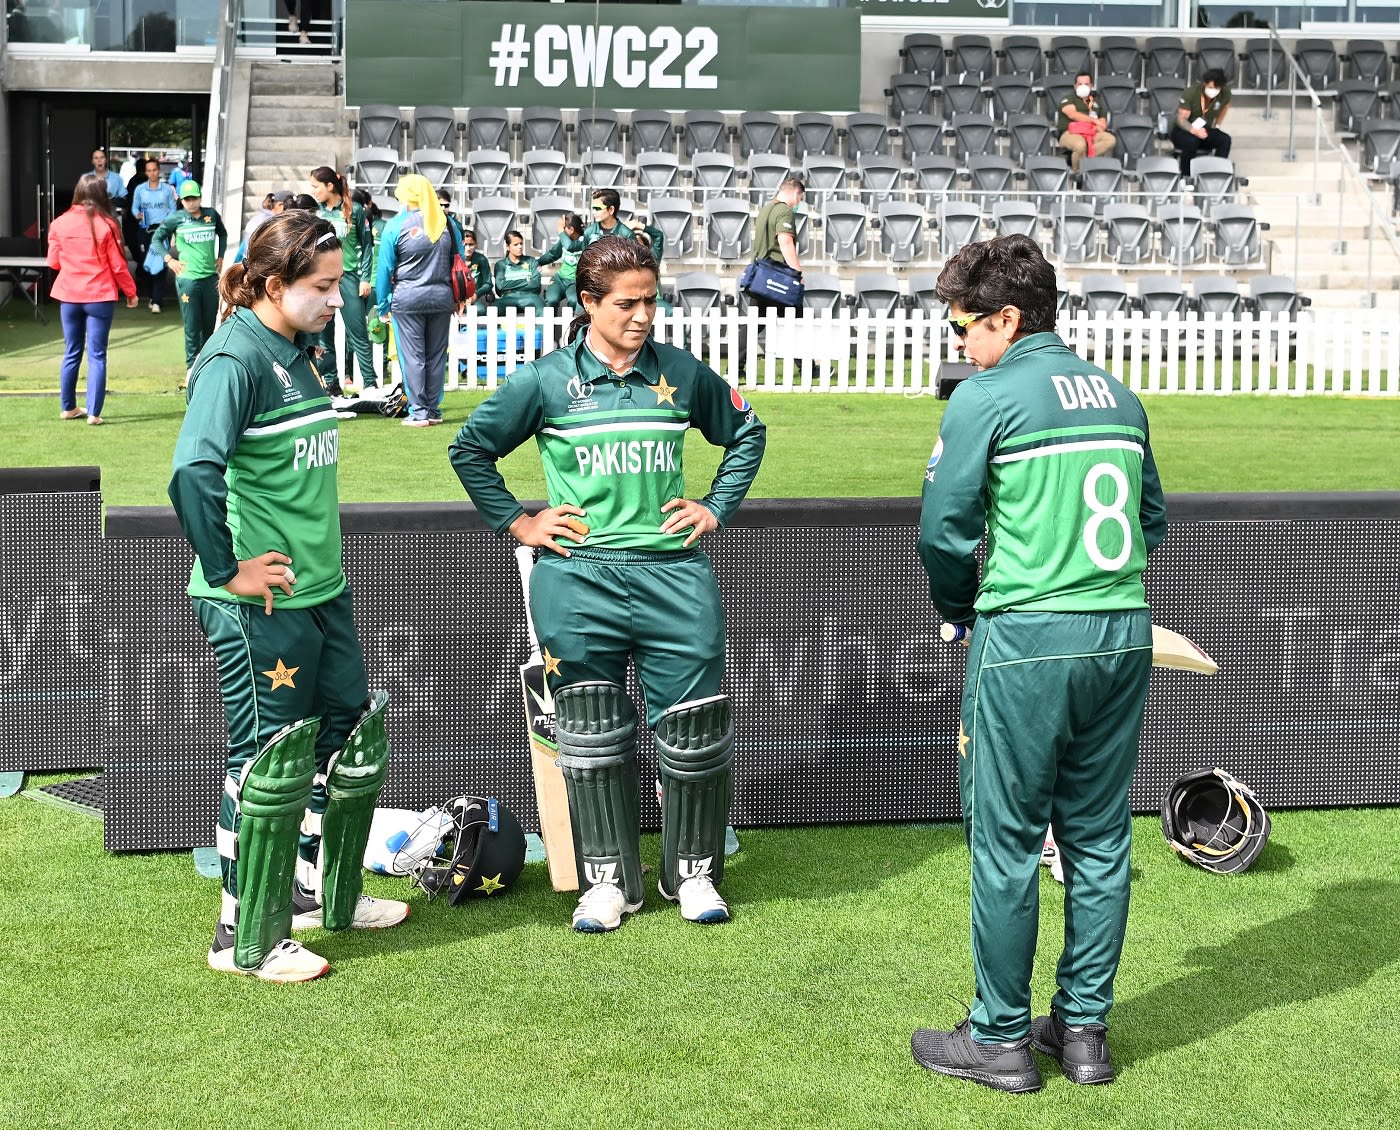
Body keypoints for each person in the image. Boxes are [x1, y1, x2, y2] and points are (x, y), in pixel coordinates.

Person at [448, 236, 766, 933]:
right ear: (589, 302)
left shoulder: (681, 373)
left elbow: (747, 432)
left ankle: (693, 873)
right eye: (627, 303)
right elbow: (470, 448)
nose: (643, 315)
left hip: (673, 575)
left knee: (694, 730)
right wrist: (519, 522)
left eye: (652, 300)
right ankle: (608, 881)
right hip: (577, 579)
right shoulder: (545, 381)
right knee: (590, 734)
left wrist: (715, 506)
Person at [910, 233, 1167, 1093]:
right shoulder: (1120, 396)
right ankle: (1084, 1034)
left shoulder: (984, 398)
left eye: (964, 325)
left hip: (1027, 637)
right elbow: (1151, 520)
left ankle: (999, 1038)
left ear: (1008, 319)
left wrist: (958, 611)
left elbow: (943, 532)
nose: (959, 342)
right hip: (1121, 630)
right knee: (1098, 835)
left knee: (1007, 840)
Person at [168, 209, 408, 984]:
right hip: (257, 605)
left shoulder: (301, 351)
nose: (340, 299)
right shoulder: (233, 359)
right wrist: (228, 569)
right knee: (267, 765)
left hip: (320, 591)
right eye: (324, 286)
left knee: (347, 742)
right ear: (274, 285)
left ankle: (316, 894)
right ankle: (242, 937)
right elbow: (192, 472)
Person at [46, 174, 140, 425]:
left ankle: (68, 408)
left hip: (69, 294)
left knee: (71, 351)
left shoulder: (59, 223)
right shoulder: (107, 225)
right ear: (101, 195)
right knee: (97, 354)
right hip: (100, 295)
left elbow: (53, 262)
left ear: (77, 192)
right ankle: (94, 413)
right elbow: (118, 266)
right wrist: (131, 293)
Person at [374, 174, 466, 427]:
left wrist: (383, 304)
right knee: (436, 356)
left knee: (413, 357)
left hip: (407, 299)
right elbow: (459, 261)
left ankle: (419, 412)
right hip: (442, 298)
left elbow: (384, 269)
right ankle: (433, 410)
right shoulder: (447, 223)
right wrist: (459, 297)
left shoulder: (396, 225)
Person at [309, 165, 379, 391]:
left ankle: (370, 383)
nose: (313, 191)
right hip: (322, 280)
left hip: (348, 278)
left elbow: (367, 246)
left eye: (316, 186)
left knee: (358, 332)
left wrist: (365, 277)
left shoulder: (356, 210)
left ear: (330, 186)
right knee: (324, 333)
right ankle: (331, 383)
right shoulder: (315, 212)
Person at [152, 179, 227, 377]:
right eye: (187, 200)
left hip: (210, 278)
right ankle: (191, 369)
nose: (191, 203)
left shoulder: (211, 215)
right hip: (188, 280)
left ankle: (208, 366)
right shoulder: (176, 219)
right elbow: (157, 239)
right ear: (181, 201)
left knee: (209, 325)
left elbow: (223, 234)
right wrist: (169, 260)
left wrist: (220, 257)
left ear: (200, 198)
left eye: (194, 198)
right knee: (192, 326)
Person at [739, 174, 805, 379]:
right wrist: (797, 273)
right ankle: (808, 368)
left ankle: (735, 366)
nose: (799, 203)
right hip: (778, 278)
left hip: (760, 277)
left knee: (754, 325)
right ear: (795, 193)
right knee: (796, 324)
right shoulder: (784, 211)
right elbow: (785, 242)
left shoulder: (766, 209)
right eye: (800, 198)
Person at [130, 157, 179, 313]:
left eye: (154, 170)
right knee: (145, 264)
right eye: (149, 170)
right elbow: (134, 207)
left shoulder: (167, 189)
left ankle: (157, 300)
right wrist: (137, 214)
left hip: (161, 231)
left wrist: (166, 221)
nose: (152, 173)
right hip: (144, 231)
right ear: (146, 172)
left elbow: (173, 209)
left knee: (161, 262)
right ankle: (152, 296)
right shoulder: (140, 189)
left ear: (159, 171)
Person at [1172, 68, 1233, 179]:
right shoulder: (1191, 92)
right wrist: (1194, 130)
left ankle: (1217, 173)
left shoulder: (1225, 93)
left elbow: (1225, 107)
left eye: (1217, 88)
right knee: (1191, 142)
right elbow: (1181, 119)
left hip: (1205, 129)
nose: (1213, 91)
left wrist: (1217, 125)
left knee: (1225, 140)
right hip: (1185, 130)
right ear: (1204, 84)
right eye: (1210, 87)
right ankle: (1186, 176)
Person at [1057, 70, 1117, 174]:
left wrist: (1099, 127)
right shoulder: (1069, 99)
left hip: (1092, 132)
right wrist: (1094, 121)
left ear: (1091, 85)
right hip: (1070, 133)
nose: (1083, 86)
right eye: (1080, 84)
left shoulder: (1096, 102)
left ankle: (1081, 158)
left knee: (1110, 140)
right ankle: (1078, 173)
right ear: (1075, 86)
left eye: (1086, 84)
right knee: (1080, 145)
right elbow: (1072, 114)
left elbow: (1103, 122)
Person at [537, 212, 584, 310]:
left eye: (564, 229)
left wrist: (560, 231)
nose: (562, 232)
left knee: (574, 301)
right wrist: (537, 262)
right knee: (551, 300)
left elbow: (570, 247)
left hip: (576, 282)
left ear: (571, 230)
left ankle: (573, 320)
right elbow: (553, 254)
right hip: (560, 279)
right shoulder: (565, 239)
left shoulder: (584, 241)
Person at [490, 230, 544, 314]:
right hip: (508, 298)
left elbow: (536, 285)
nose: (520, 247)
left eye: (521, 244)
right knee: (495, 308)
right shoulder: (500, 265)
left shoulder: (532, 261)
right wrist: (526, 281)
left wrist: (509, 285)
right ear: (508, 247)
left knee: (541, 305)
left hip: (530, 298)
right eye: (516, 244)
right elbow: (500, 287)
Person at [462, 228, 494, 313]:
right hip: (458, 299)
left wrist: (476, 295)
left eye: (471, 244)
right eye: (465, 244)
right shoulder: (454, 259)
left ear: (476, 244)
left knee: (480, 310)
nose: (468, 248)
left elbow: (488, 284)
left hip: (476, 297)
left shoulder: (481, 259)